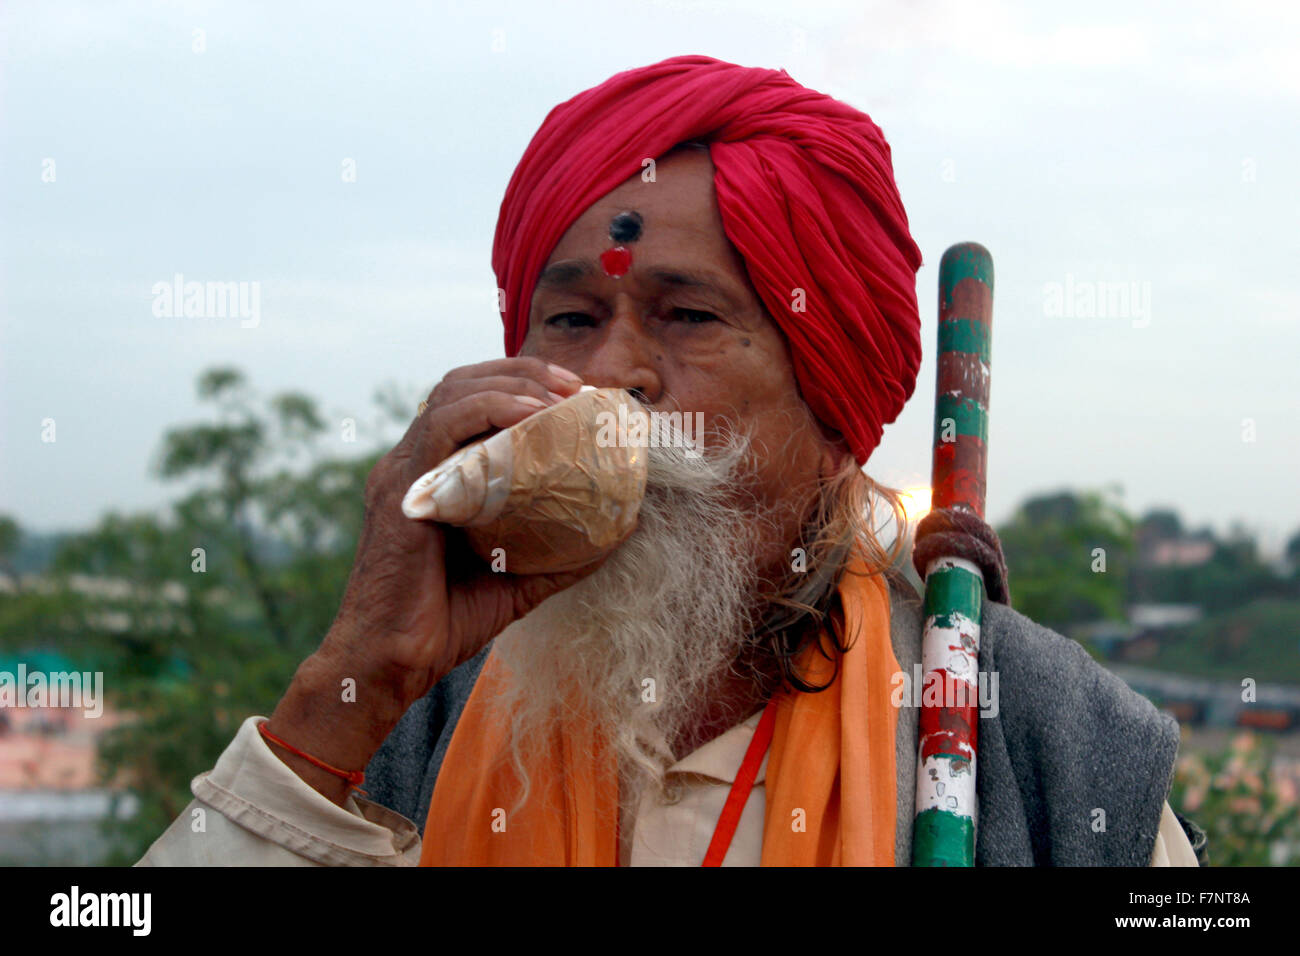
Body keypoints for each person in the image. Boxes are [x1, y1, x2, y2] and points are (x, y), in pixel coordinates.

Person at [138, 55, 1202, 867]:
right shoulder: (403, 718)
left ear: (833, 409)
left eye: (686, 315)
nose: (610, 376)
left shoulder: (1046, 749)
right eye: (567, 316)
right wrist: (345, 685)